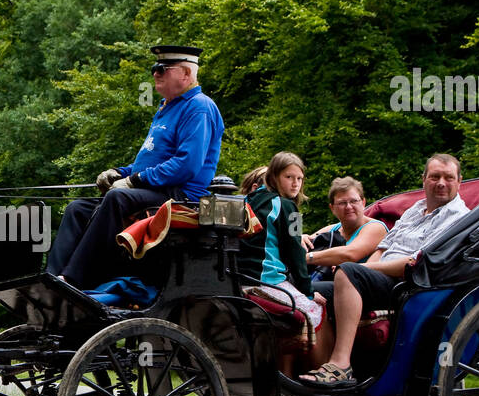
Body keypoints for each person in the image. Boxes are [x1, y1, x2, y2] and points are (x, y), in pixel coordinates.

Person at [46, 45, 224, 288]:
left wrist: (133, 181)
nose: (155, 73)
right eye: (154, 68)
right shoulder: (166, 107)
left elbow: (186, 166)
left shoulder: (199, 107)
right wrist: (120, 173)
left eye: (162, 69)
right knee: (77, 208)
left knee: (117, 198)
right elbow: (150, 161)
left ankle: (75, 280)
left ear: (185, 73)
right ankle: (53, 278)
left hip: (180, 197)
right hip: (155, 190)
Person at [299, 153, 470, 386]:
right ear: (424, 180)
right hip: (382, 275)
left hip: (411, 285)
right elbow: (383, 248)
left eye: (449, 177)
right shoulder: (415, 210)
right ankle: (317, 367)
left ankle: (341, 365)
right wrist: (366, 270)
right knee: (308, 290)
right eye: (435, 176)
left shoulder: (458, 218)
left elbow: (414, 264)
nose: (441, 183)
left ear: (459, 181)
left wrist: (364, 270)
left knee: (349, 271)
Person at [239, 152, 325, 332]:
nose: (295, 183)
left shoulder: (248, 199)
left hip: (239, 275)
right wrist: (308, 292)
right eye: (289, 177)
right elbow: (296, 252)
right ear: (274, 177)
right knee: (317, 310)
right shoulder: (290, 208)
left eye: (300, 178)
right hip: (266, 279)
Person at [302, 176, 386, 282]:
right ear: (332, 208)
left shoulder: (376, 227)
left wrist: (307, 258)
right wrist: (301, 238)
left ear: (363, 203)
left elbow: (349, 254)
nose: (349, 207)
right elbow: (306, 242)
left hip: (358, 289)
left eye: (354, 201)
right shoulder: (333, 229)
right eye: (342, 203)